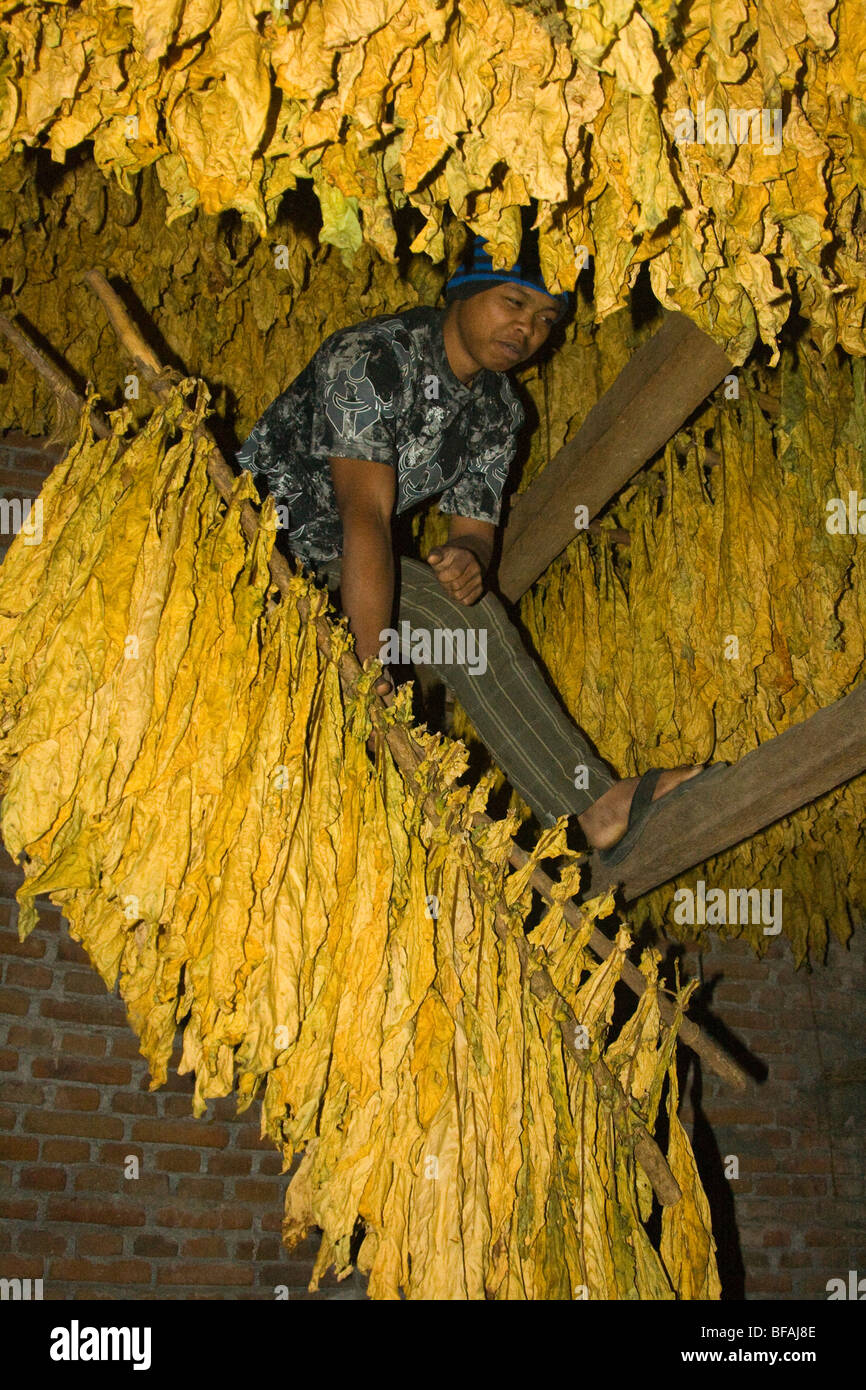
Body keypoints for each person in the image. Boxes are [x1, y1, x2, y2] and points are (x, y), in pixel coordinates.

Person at [236, 225, 721, 866]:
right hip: (253, 551)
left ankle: (595, 807)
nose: (527, 330)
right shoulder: (372, 360)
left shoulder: (498, 408)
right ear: (461, 294)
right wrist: (370, 666)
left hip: (338, 559)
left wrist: (468, 558)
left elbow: (473, 529)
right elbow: (367, 521)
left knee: (465, 605)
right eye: (512, 303)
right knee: (433, 610)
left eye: (546, 318)